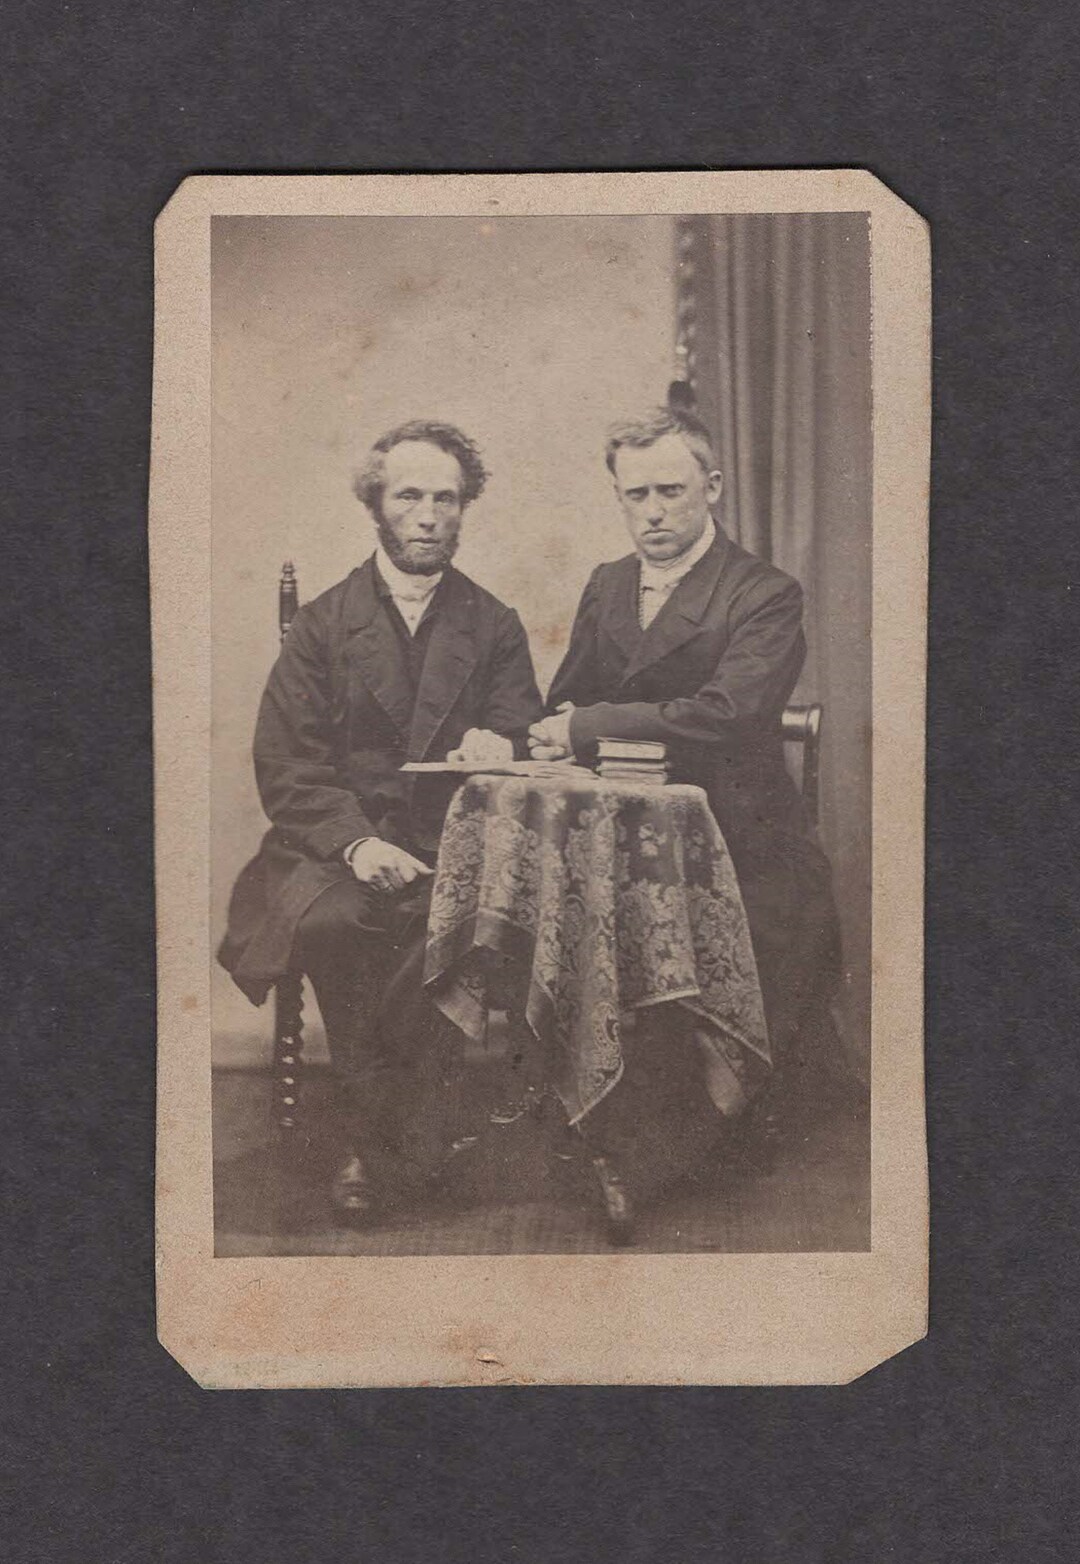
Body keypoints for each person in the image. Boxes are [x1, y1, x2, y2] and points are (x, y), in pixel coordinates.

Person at [219, 420, 543, 1222]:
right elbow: (287, 765)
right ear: (376, 505)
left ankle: (377, 1143)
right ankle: (404, 1136)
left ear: (464, 507)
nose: (429, 516)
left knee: (448, 923)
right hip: (333, 848)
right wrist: (358, 843)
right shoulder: (324, 625)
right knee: (338, 922)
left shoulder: (493, 624)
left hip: (454, 850)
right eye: (410, 497)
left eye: (446, 498)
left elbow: (523, 732)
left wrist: (499, 744)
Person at [529, 407, 840, 1218]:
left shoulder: (763, 593)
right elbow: (567, 701)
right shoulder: (608, 584)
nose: (654, 512)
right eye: (636, 495)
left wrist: (589, 727)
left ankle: (651, 1156)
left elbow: (727, 715)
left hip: (743, 841)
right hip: (622, 837)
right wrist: (550, 731)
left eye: (671, 490)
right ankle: (598, 1124)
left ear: (713, 487)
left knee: (736, 951)